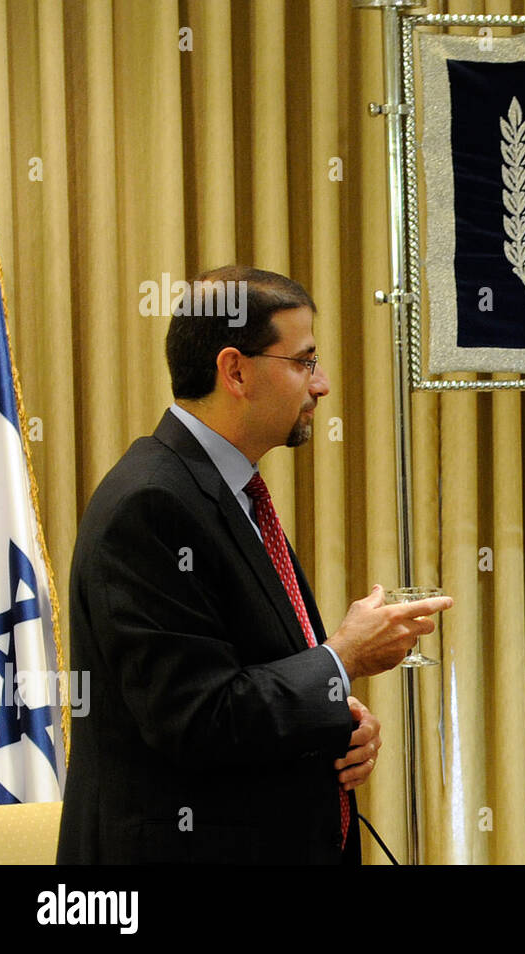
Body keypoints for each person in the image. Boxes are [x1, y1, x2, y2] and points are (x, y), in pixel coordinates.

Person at [58, 266, 448, 863]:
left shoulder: (225, 490)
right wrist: (341, 659)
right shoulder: (152, 503)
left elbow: (251, 674)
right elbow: (196, 716)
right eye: (304, 362)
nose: (321, 386)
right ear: (235, 370)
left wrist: (335, 717)